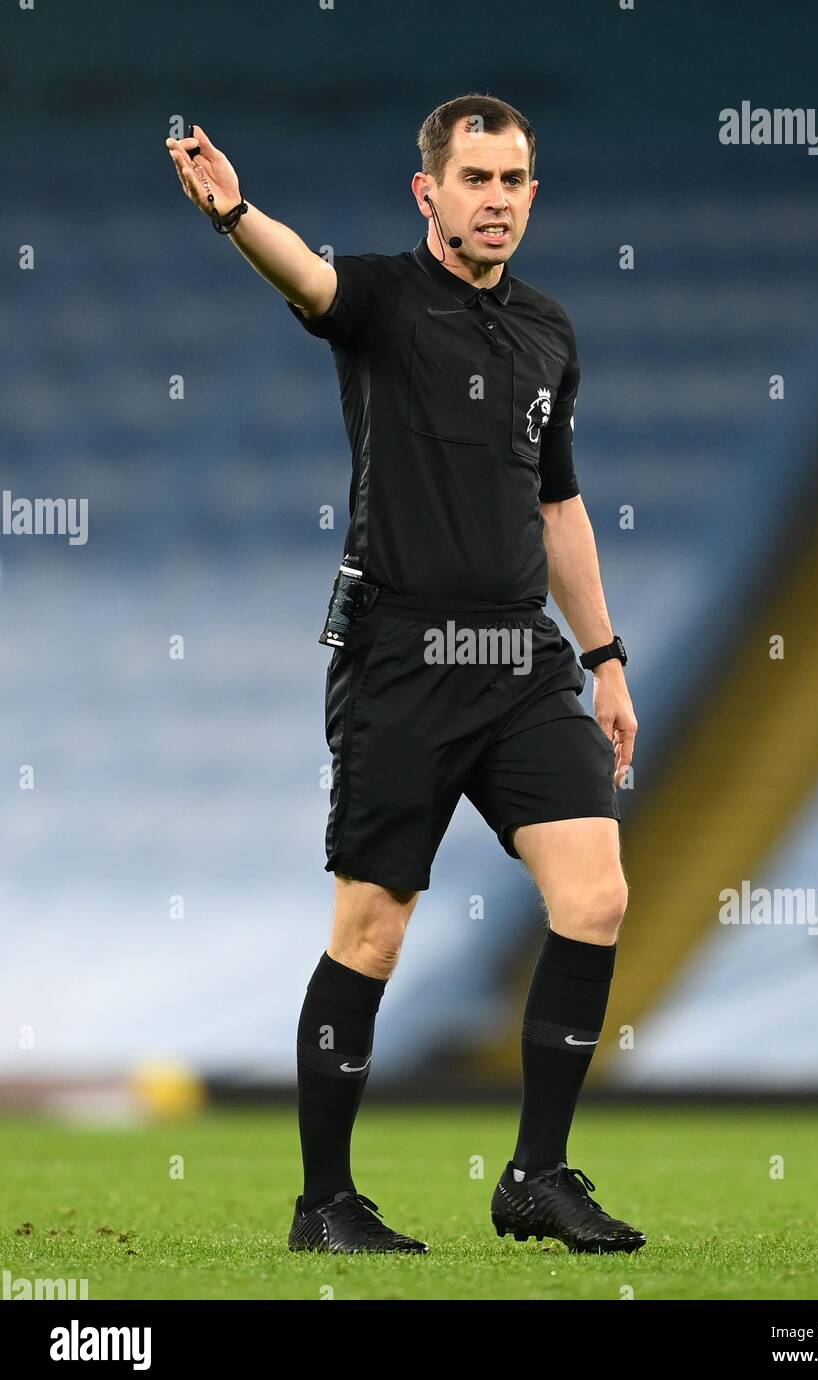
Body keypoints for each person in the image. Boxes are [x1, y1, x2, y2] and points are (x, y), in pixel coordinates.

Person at [166, 93, 645, 1255]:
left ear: (534, 192)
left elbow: (560, 503)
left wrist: (605, 655)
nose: (496, 199)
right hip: (401, 654)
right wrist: (235, 213)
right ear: (429, 193)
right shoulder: (382, 298)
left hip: (520, 658)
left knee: (597, 894)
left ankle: (536, 1174)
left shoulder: (547, 331)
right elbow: (308, 279)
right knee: (374, 928)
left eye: (513, 179)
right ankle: (324, 1203)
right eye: (474, 179)